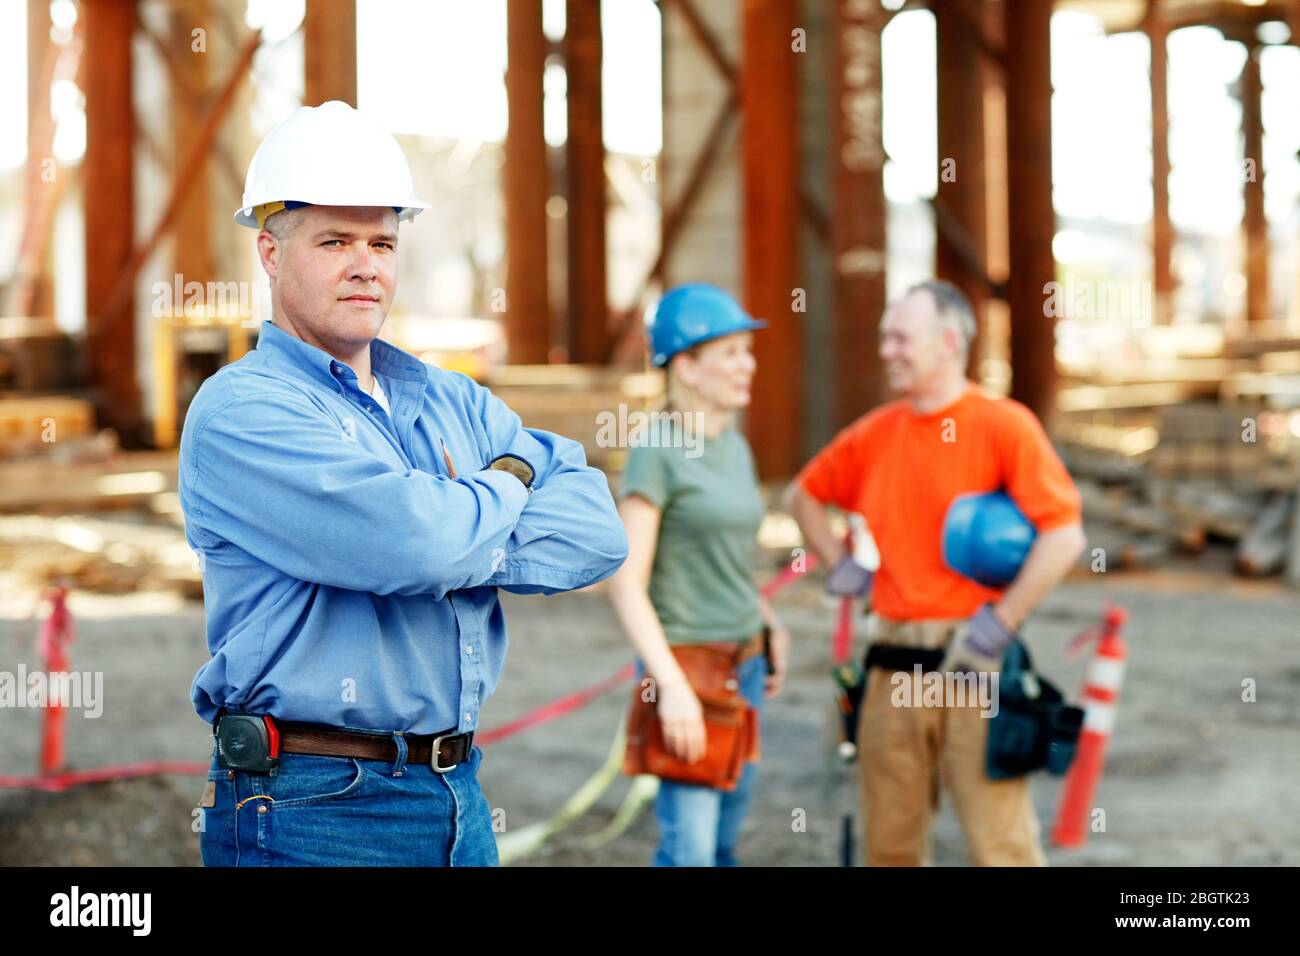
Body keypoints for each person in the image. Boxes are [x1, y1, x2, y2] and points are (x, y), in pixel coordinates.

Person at [181, 101, 628, 866]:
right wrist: (501, 492)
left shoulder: (448, 396)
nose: (366, 264)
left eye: (382, 242)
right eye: (335, 241)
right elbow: (416, 544)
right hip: (311, 807)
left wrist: (460, 534)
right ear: (269, 253)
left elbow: (596, 531)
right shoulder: (242, 411)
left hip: (457, 793)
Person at [789, 279, 1085, 866]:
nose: (885, 351)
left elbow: (1064, 534)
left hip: (972, 662)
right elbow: (803, 495)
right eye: (883, 338)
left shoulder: (1004, 426)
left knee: (1002, 848)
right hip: (891, 663)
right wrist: (840, 565)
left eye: (901, 338)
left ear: (950, 341)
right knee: (890, 850)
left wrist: (1000, 625)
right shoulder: (875, 434)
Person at [608, 283, 790, 867]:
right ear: (685, 365)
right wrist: (673, 690)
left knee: (724, 843)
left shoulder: (734, 444)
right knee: (690, 852)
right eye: (731, 352)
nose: (749, 364)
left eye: (748, 350)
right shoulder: (656, 451)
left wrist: (767, 620)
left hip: (747, 666)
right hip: (690, 670)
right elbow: (626, 582)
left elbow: (726, 556)